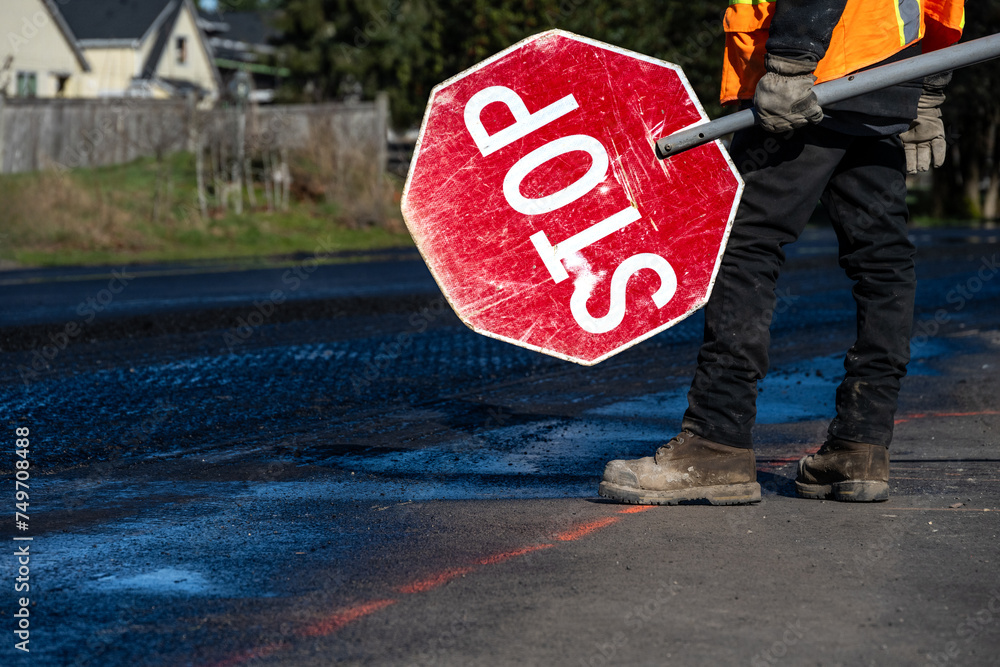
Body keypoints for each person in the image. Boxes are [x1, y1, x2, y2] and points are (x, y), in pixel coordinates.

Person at [599, 0, 966, 505]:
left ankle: (716, 442)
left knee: (745, 244)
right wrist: (927, 87)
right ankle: (860, 446)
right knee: (882, 262)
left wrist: (792, 60)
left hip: (818, 76)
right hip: (888, 79)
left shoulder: (802, 64)